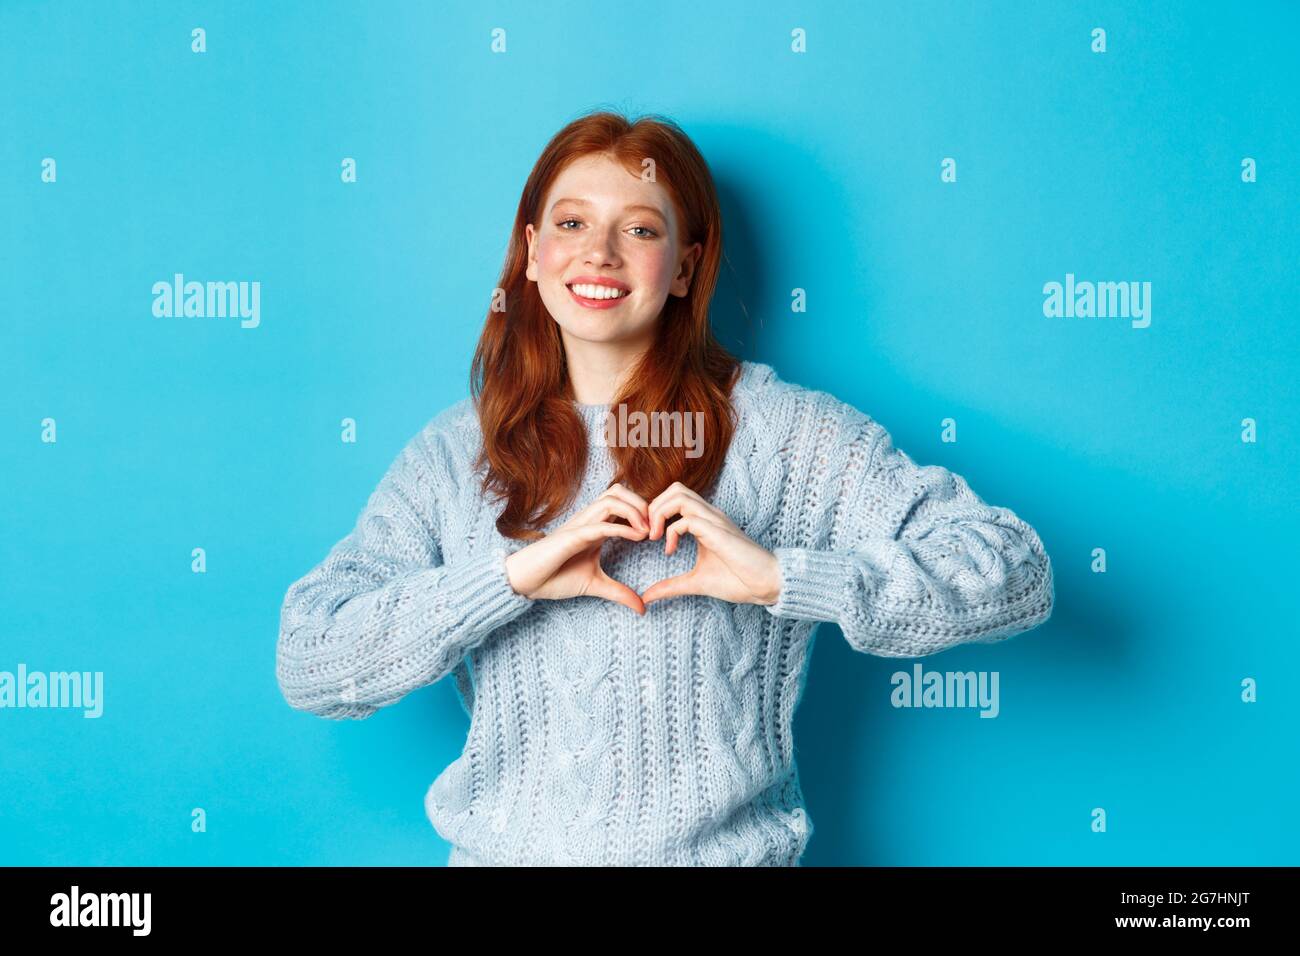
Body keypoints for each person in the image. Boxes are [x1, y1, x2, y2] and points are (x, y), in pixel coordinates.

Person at [275, 109, 1056, 866]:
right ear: (532, 250)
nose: (600, 254)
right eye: (572, 224)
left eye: (641, 229)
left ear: (685, 265)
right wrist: (509, 579)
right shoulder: (456, 453)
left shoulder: (787, 434)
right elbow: (310, 658)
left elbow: (1014, 571)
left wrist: (787, 577)